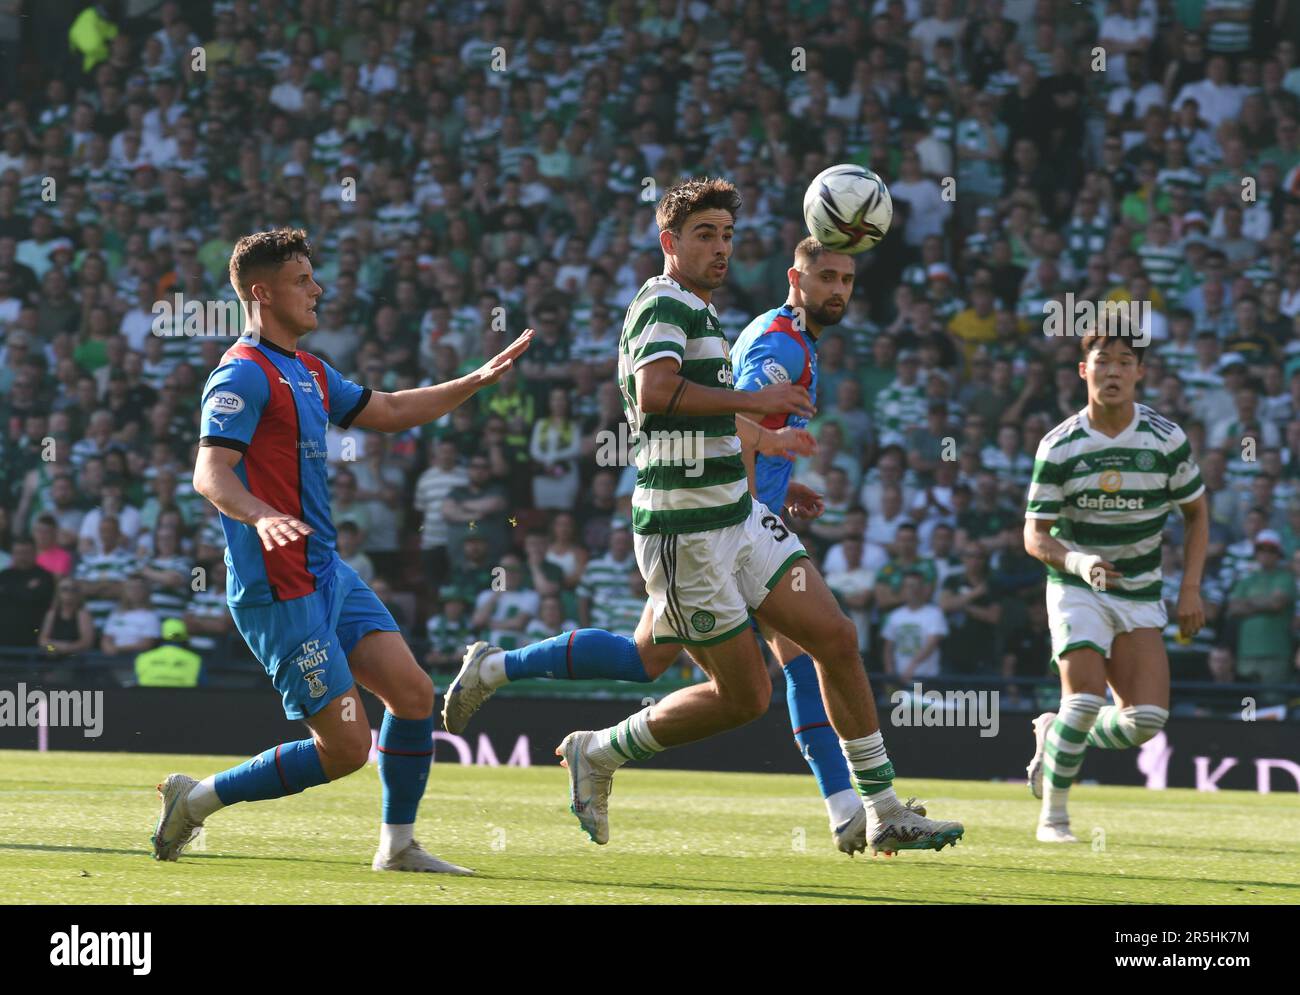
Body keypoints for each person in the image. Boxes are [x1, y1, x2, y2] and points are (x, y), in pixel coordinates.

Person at [442, 180, 963, 856]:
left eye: (726, 235)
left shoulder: (699, 310)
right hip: (686, 530)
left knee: (833, 636)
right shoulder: (663, 303)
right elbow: (657, 394)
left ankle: (880, 804)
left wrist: (769, 448)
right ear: (670, 243)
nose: (720, 248)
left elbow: (710, 410)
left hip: (736, 515)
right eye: (704, 235)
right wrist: (758, 402)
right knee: (744, 695)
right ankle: (599, 751)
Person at [150, 228, 533, 874]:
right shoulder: (241, 372)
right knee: (347, 748)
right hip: (280, 591)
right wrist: (258, 512)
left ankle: (397, 845)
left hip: (328, 573)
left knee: (413, 695)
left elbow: (385, 408)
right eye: (303, 280)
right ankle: (198, 798)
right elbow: (209, 472)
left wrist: (474, 379)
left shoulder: (309, 369)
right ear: (262, 292)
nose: (317, 288)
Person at [1023, 327, 1208, 843]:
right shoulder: (1059, 445)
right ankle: (1054, 820)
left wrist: (1190, 588)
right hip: (1077, 584)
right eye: (1103, 362)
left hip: (1141, 589)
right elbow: (1035, 535)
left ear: (1140, 373)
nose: (1113, 372)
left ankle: (1053, 731)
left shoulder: (1165, 439)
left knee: (1144, 721)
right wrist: (1079, 562)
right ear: (1084, 372)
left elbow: (1197, 514)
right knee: (1082, 700)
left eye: (1125, 362)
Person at [135, 618, 203, 687]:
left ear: (160, 635)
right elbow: (204, 686)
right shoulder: (195, 659)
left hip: (148, 696)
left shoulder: (143, 657)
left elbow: (135, 683)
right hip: (184, 696)